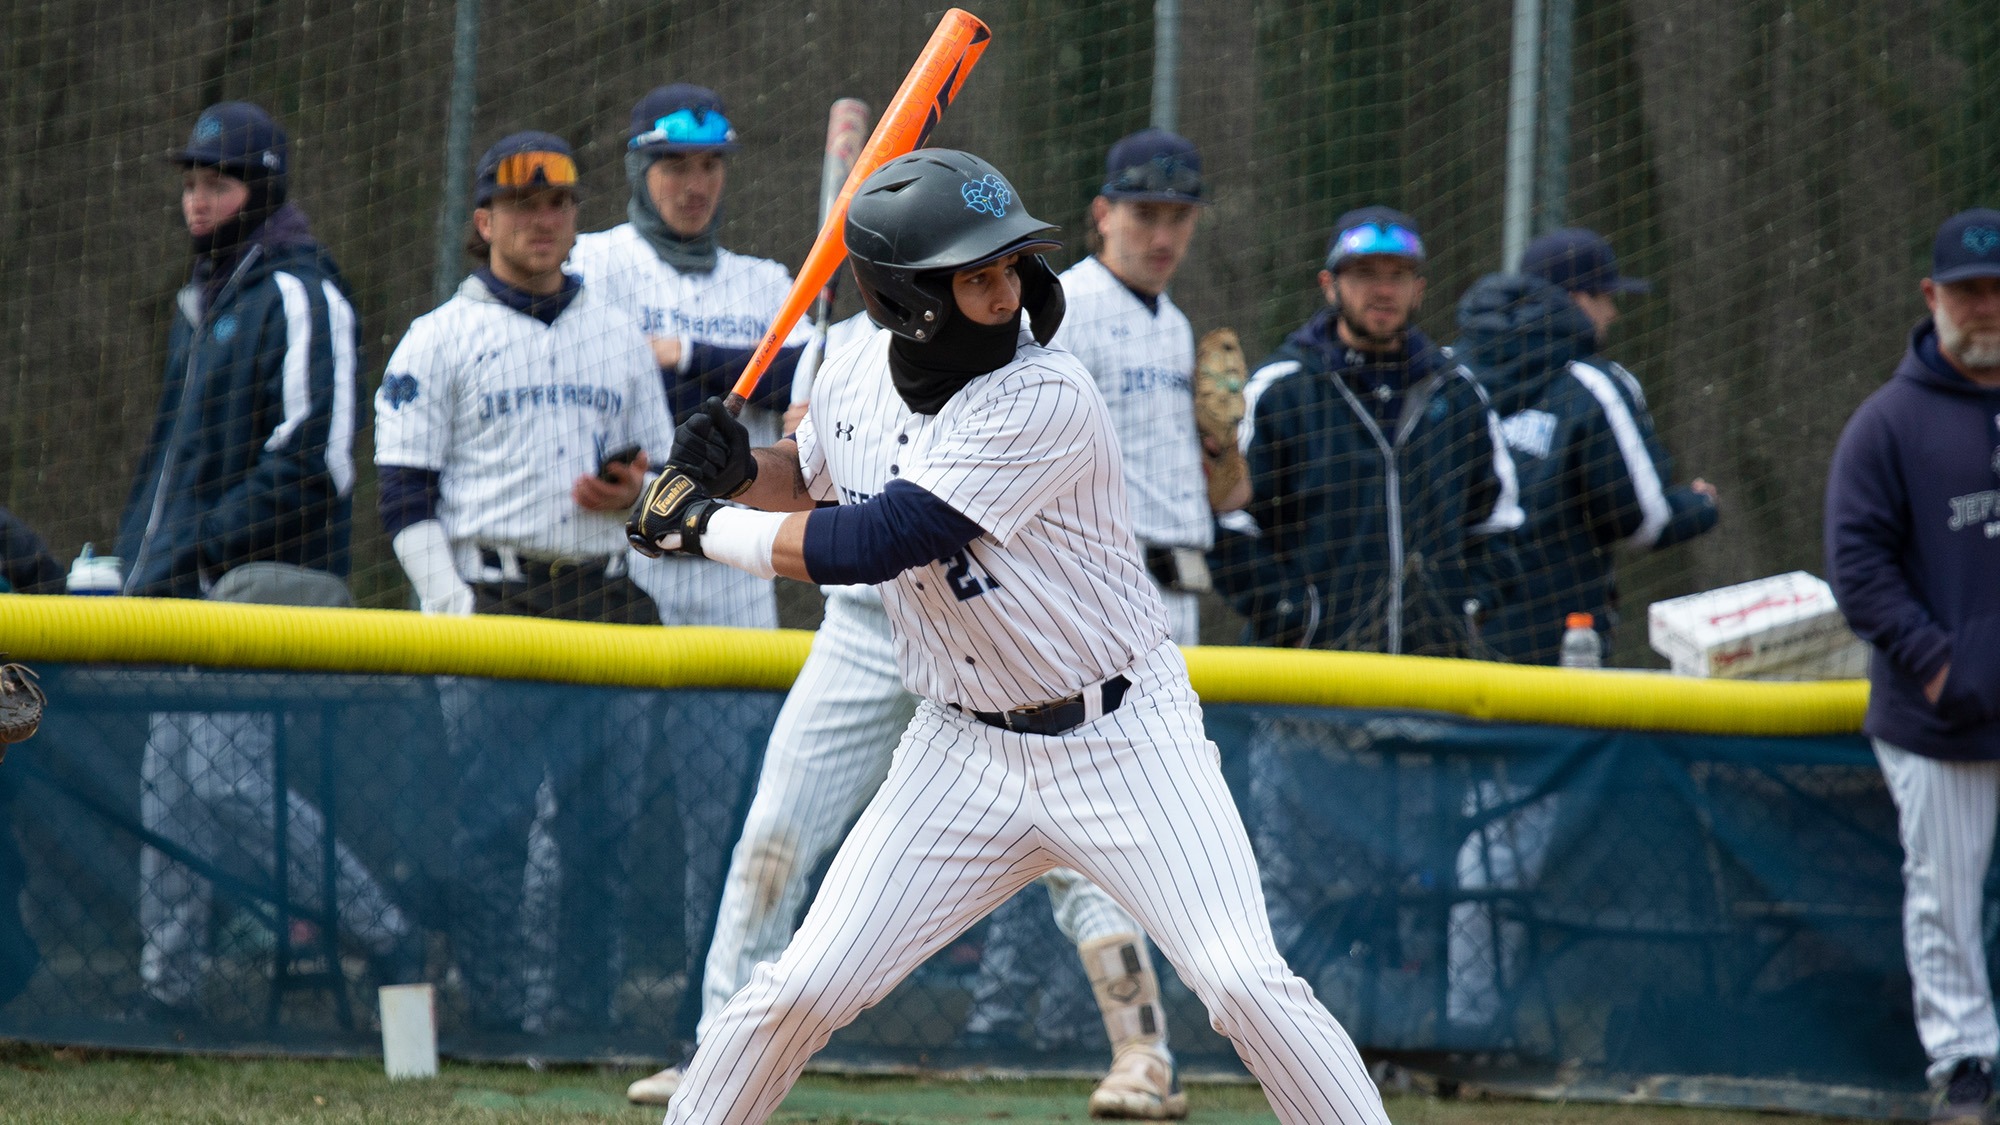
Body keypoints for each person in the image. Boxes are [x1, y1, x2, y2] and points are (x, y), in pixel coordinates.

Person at [625, 148, 1390, 1125]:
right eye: (975, 273)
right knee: (796, 991)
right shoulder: (855, 368)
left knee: (1243, 985)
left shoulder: (1045, 395)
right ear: (907, 299)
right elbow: (812, 477)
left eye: (1008, 266)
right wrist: (735, 471)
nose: (1006, 289)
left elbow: (877, 538)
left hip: (1121, 739)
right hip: (960, 751)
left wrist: (698, 525)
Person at [118, 102, 416, 1018]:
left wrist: (194, 549)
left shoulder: (300, 288)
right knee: (168, 786)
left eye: (219, 182)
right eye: (191, 184)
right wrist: (139, 561)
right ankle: (167, 990)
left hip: (272, 582)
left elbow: (315, 457)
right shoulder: (198, 305)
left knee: (217, 777)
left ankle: (388, 933)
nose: (198, 201)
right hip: (190, 583)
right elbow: (171, 465)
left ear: (263, 188)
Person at [374, 131, 674, 1033]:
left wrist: (633, 490)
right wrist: (450, 602)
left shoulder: (617, 334)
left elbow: (659, 480)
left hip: (606, 588)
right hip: (493, 596)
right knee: (491, 826)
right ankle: (499, 1014)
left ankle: (584, 1014)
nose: (541, 220)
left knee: (604, 832)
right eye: (520, 205)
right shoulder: (441, 336)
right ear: (484, 219)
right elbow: (403, 494)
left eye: (557, 204)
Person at [1826, 207, 2000, 1124]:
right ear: (1934, 297)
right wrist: (1941, 667)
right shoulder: (1887, 424)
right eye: (1970, 291)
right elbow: (1857, 567)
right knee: (1944, 896)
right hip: (1940, 719)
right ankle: (1964, 1062)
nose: (1987, 308)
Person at [1215, 205, 1521, 655]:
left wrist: (1467, 609)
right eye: (1364, 274)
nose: (1383, 290)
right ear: (1329, 285)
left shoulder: (1457, 393)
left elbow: (1499, 521)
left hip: (1435, 678)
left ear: (1418, 289)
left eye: (1398, 275)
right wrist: (1293, 616)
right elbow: (1227, 518)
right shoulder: (1283, 389)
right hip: (1306, 685)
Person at [567, 84, 810, 628]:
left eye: (710, 165)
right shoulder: (594, 263)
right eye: (675, 166)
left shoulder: (765, 282)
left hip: (742, 558)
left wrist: (686, 354)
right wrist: (741, 368)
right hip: (628, 549)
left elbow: (808, 377)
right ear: (639, 169)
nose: (696, 185)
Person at [1453, 228, 1718, 664]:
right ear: (1575, 299)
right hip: (1559, 652)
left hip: (1444, 648)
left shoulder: (1446, 376)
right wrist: (1700, 505)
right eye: (1604, 297)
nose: (1612, 313)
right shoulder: (1591, 385)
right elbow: (1644, 520)